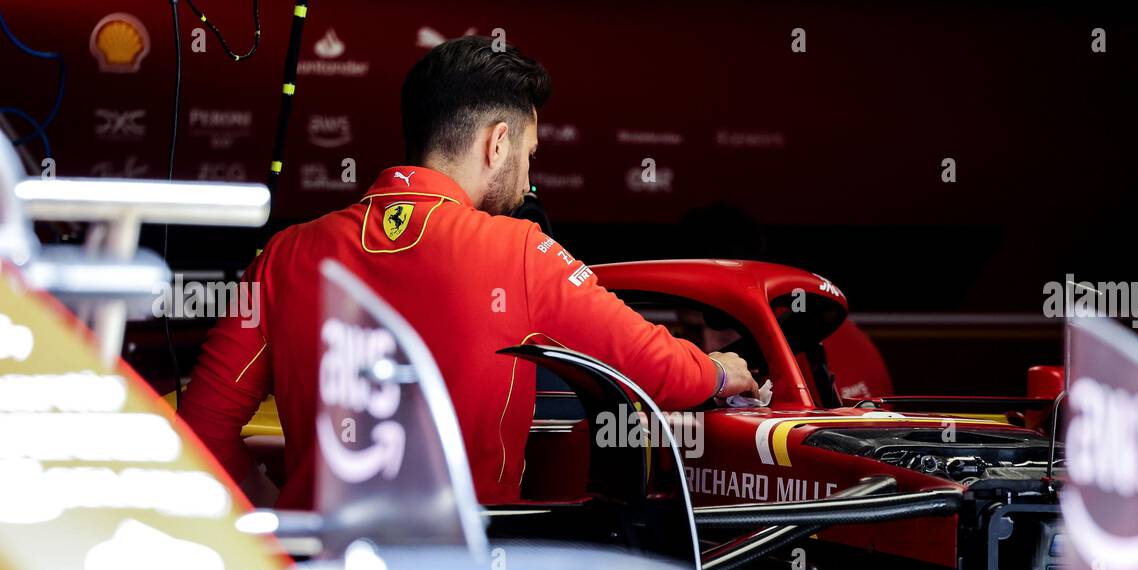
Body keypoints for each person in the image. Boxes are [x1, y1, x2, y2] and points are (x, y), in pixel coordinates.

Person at [180, 36, 758, 508]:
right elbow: (655, 369)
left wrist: (279, 519)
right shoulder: (519, 250)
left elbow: (198, 433)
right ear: (498, 143)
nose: (531, 182)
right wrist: (718, 369)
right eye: (530, 154)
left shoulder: (288, 252)